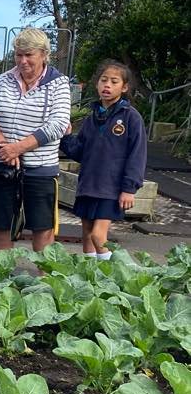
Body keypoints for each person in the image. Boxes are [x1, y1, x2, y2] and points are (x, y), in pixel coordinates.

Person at [0, 28, 71, 252]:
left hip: (40, 169)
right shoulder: (4, 80)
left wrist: (18, 148)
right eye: (18, 55)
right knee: (2, 224)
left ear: (43, 55)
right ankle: (1, 277)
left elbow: (58, 124)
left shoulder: (59, 83)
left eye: (29, 55)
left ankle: (44, 281)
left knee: (42, 228)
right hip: (3, 165)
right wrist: (3, 146)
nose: (23, 61)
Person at [60, 59, 147, 259]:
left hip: (111, 188)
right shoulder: (92, 118)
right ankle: (92, 277)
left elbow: (137, 154)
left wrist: (129, 189)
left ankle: (121, 271)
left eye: (114, 82)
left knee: (99, 236)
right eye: (103, 80)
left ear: (124, 87)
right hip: (88, 185)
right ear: (97, 84)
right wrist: (65, 138)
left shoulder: (131, 117)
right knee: (87, 236)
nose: (107, 85)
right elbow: (80, 151)